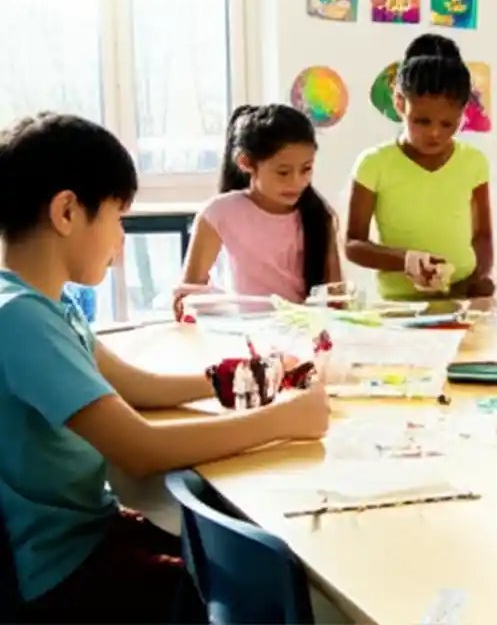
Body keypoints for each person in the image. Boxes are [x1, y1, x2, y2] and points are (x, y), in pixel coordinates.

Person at [0, 113, 330, 623]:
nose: (121, 240)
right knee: (269, 590)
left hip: (90, 535)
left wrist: (254, 377)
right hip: (64, 570)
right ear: (67, 211)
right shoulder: (19, 318)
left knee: (245, 555)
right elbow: (140, 450)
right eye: (117, 218)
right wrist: (284, 422)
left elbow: (136, 387)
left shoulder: (47, 304)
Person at [346, 50, 495, 299]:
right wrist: (406, 260)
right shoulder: (373, 164)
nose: (435, 133)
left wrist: (476, 279)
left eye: (448, 124)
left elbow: (483, 236)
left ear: (463, 113)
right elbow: (353, 245)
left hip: (462, 299)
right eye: (422, 121)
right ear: (399, 103)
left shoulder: (474, 162)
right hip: (400, 307)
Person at [174, 104, 340, 317]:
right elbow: (188, 294)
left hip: (306, 337)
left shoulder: (318, 216)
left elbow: (337, 300)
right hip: (242, 335)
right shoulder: (218, 214)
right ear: (246, 163)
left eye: (306, 169)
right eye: (283, 172)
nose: (297, 182)